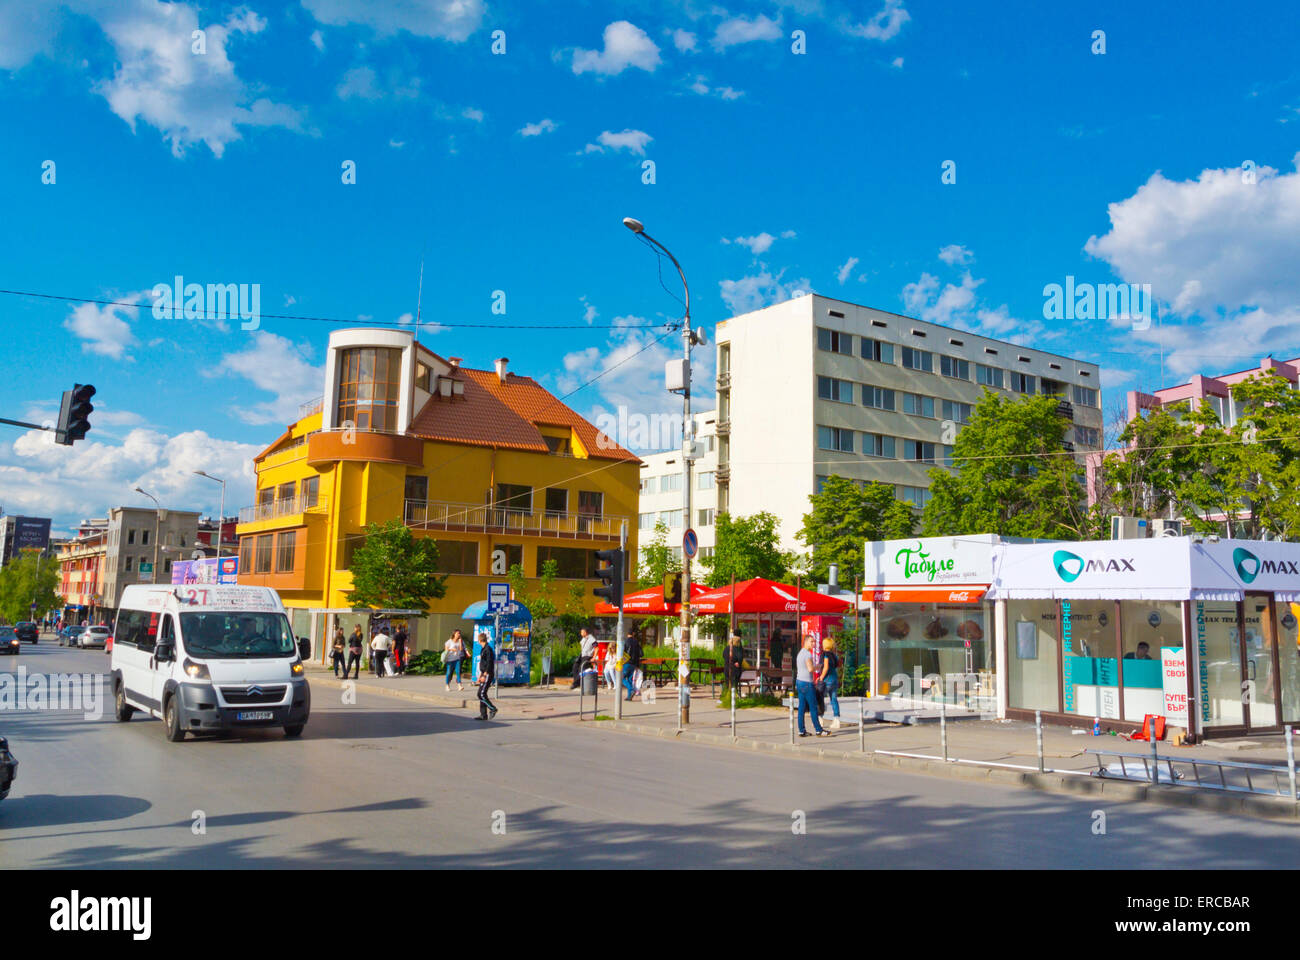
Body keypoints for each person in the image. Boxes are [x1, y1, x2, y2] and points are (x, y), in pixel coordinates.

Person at [796, 634, 829, 737]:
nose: (814, 644)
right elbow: (810, 669)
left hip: (799, 681)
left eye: (814, 642)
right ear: (805, 642)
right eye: (811, 642)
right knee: (813, 707)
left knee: (801, 707)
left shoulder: (800, 653)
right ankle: (818, 730)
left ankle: (801, 730)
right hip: (807, 683)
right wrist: (818, 667)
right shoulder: (807, 654)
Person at [818, 637, 842, 730]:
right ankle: (837, 720)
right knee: (834, 700)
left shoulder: (825, 655)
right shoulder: (834, 655)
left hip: (827, 680)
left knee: (820, 699)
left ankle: (820, 719)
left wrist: (821, 677)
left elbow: (826, 667)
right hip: (834, 679)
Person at [475, 631, 498, 720]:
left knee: (482, 693)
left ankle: (493, 709)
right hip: (483, 673)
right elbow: (483, 664)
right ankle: (483, 714)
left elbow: (489, 663)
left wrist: (484, 675)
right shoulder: (483, 649)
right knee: (479, 694)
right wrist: (480, 675)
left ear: (480, 640)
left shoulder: (488, 649)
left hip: (488, 674)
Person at [622, 629, 642, 701]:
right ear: (633, 634)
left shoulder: (626, 641)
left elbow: (623, 653)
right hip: (634, 663)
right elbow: (641, 654)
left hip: (627, 662)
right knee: (630, 679)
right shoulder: (636, 642)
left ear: (627, 634)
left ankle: (632, 690)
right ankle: (629, 696)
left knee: (622, 678)